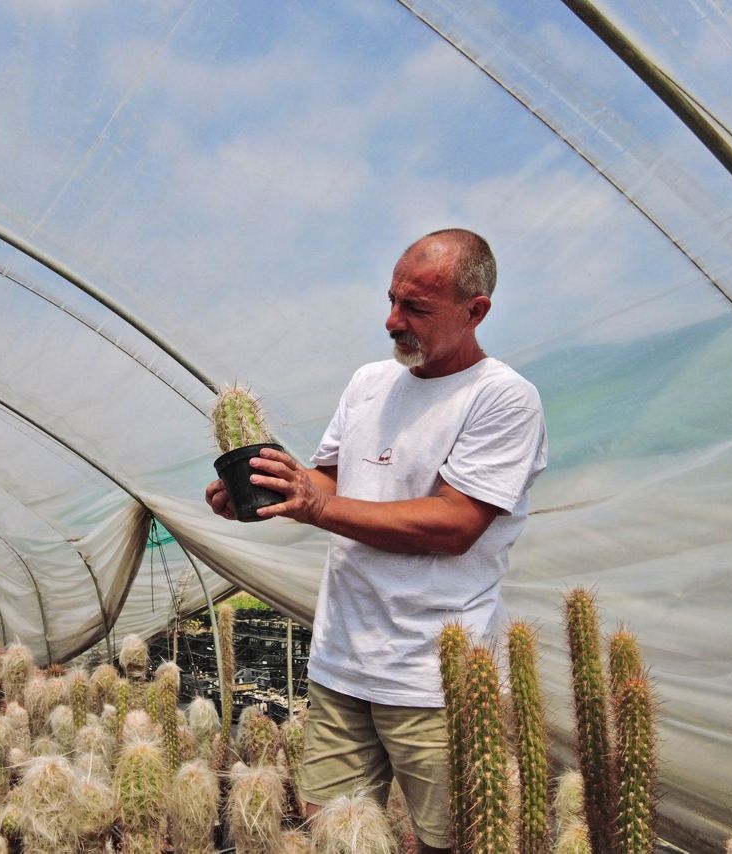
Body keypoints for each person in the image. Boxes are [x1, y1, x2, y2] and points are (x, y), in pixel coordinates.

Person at [204, 228, 547, 853]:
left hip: (435, 678)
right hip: (343, 658)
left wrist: (318, 505)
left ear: (476, 312)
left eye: (416, 308)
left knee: (454, 839)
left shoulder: (502, 399)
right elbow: (330, 477)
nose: (393, 321)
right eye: (391, 300)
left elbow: (455, 525)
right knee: (330, 829)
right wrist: (264, 489)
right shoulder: (369, 382)